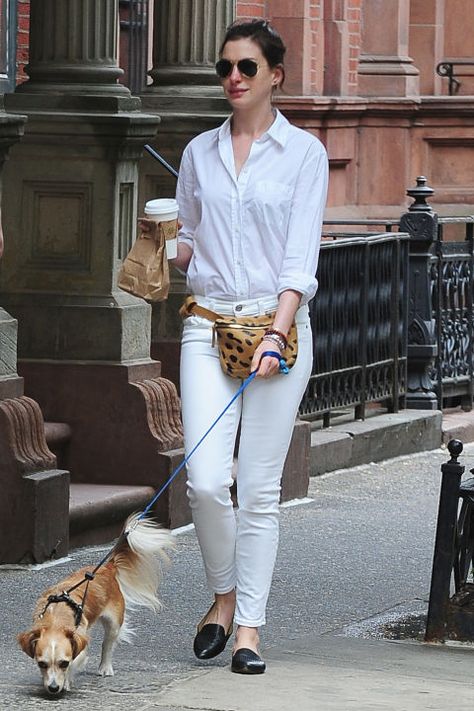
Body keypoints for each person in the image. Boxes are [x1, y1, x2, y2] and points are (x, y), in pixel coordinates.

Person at [171, 19, 328, 674]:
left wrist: (277, 330)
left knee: (258, 487)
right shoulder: (198, 153)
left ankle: (248, 629)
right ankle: (223, 593)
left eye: (246, 67)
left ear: (275, 77)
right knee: (206, 478)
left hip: (276, 332)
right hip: (207, 325)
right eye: (225, 68)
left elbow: (299, 261)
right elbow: (188, 245)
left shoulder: (305, 155)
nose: (233, 77)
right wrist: (159, 247)